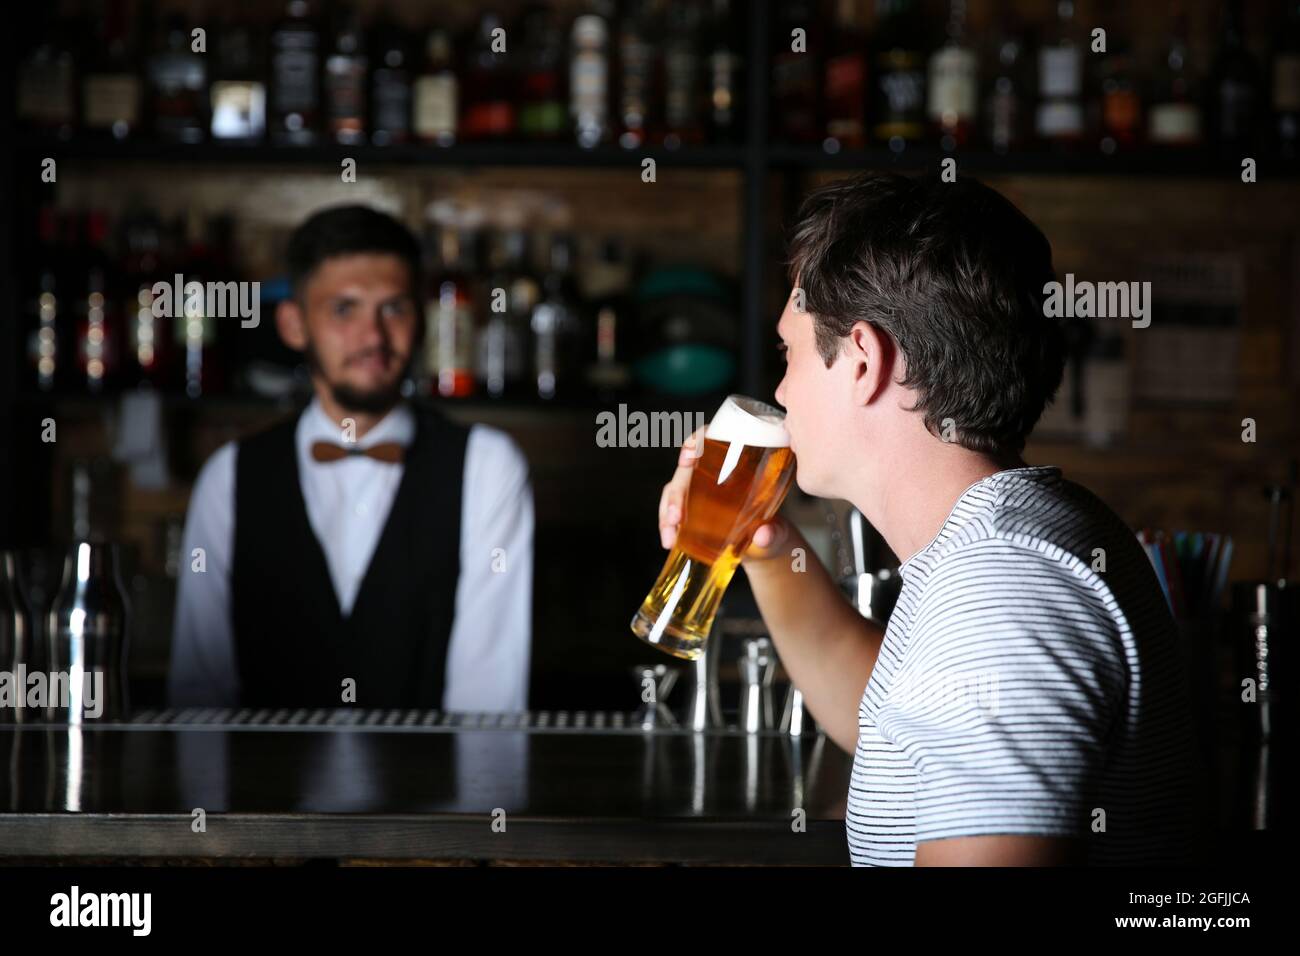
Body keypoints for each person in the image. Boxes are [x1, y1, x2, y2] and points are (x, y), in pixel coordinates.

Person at [657, 172, 1203, 866]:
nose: (778, 390)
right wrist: (765, 547)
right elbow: (896, 718)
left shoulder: (1002, 593)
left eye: (787, 355)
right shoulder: (1004, 538)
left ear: (862, 361)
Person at [169, 205, 532, 712]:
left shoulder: (487, 467)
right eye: (344, 309)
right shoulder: (229, 476)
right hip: (266, 792)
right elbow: (199, 700)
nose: (374, 338)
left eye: (395, 308)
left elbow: (489, 705)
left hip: (432, 790)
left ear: (422, 318)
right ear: (294, 325)